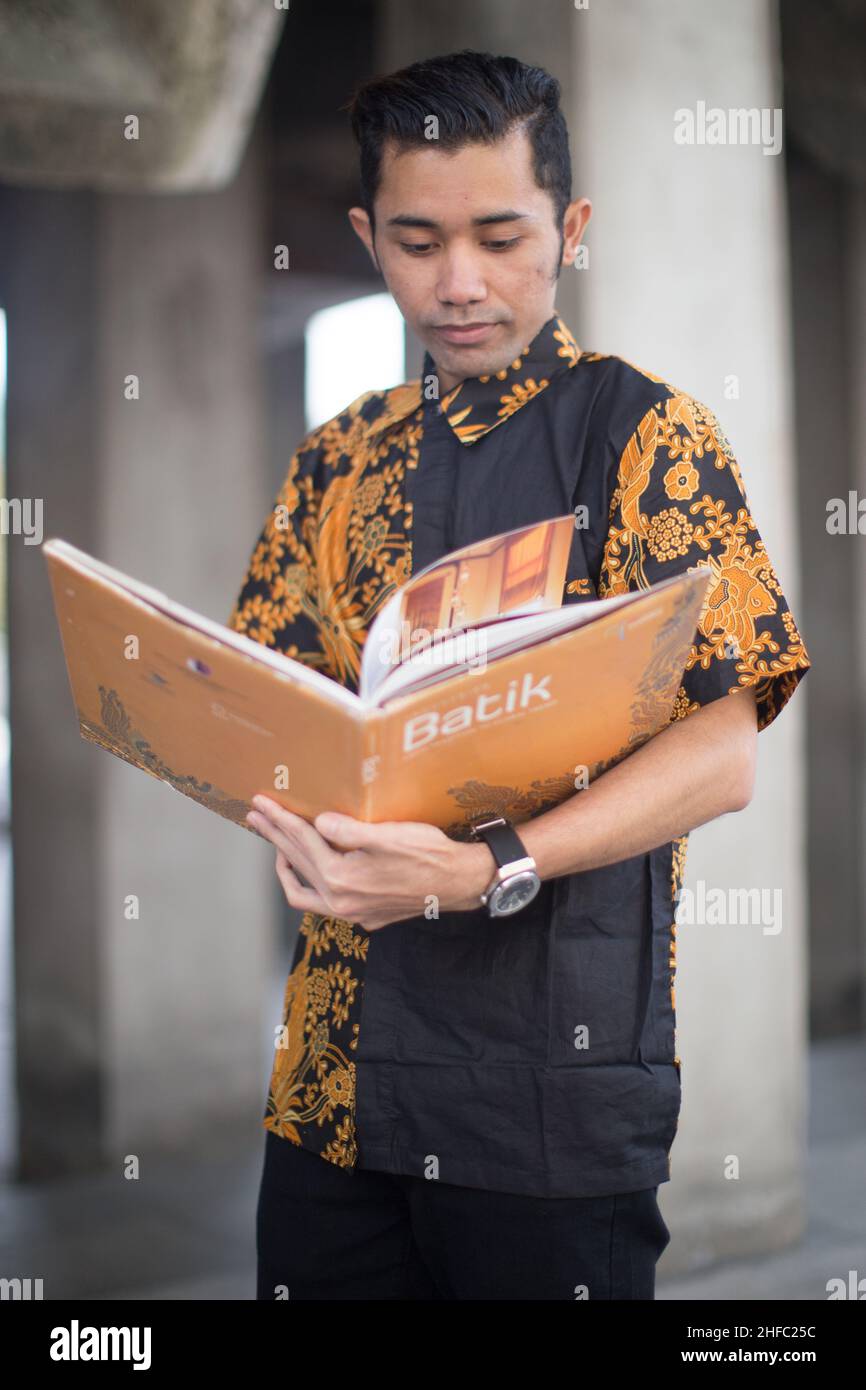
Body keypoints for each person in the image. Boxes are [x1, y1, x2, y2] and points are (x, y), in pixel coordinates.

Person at [228, 50, 811, 1301]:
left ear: (569, 229)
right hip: (329, 1080)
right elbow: (267, 711)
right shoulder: (335, 464)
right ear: (366, 238)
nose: (458, 282)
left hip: (547, 1086)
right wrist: (279, 805)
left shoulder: (644, 436)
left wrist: (482, 866)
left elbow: (720, 754)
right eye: (416, 241)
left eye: (499, 237)